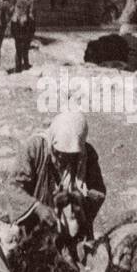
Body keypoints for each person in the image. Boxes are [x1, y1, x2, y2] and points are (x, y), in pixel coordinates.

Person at [8, 110, 106, 260]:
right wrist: (37, 208)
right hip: (35, 227)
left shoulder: (87, 155)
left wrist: (76, 202)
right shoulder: (34, 148)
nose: (62, 157)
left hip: (72, 230)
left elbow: (97, 192)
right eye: (58, 152)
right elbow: (13, 187)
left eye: (69, 154)